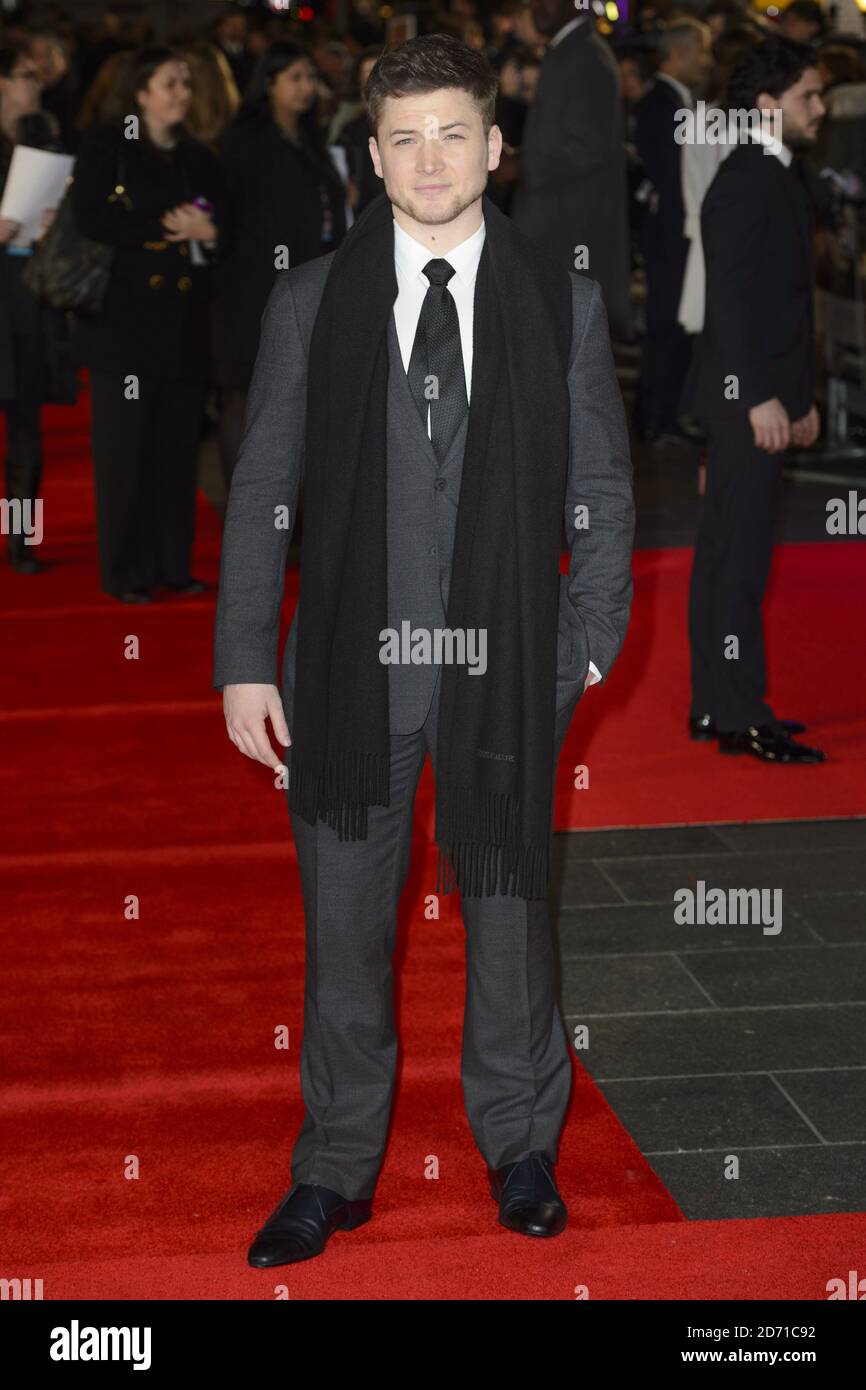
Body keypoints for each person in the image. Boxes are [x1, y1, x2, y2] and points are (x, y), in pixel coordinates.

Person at [212, 32, 634, 1268]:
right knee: (345, 928)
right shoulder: (311, 299)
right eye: (406, 136)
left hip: (508, 664)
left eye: (455, 131)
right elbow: (259, 488)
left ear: (495, 149)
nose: (432, 157)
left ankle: (518, 1146)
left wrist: (586, 643)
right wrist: (246, 657)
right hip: (350, 673)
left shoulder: (558, 297)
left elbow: (602, 486)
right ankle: (335, 1167)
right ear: (374, 156)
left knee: (510, 916)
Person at [686, 37, 827, 763]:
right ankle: (739, 712)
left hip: (759, 393)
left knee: (724, 552)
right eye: (809, 95)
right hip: (746, 396)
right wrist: (760, 399)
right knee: (737, 559)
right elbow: (732, 305)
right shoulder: (746, 179)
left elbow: (786, 304)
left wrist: (796, 397)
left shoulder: (775, 176)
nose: (821, 107)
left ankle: (714, 702)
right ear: (769, 106)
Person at [71, 45, 230, 602]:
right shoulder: (107, 146)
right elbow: (89, 216)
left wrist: (208, 233)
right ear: (140, 93)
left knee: (175, 453)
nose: (182, 93)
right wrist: (165, 224)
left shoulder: (197, 156)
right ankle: (126, 571)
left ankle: (172, 565)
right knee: (125, 455)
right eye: (169, 83)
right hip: (124, 328)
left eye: (185, 82)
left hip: (184, 327)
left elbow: (230, 220)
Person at [214, 41, 348, 488]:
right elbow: (228, 213)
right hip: (254, 284)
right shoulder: (245, 139)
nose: (306, 88)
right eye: (295, 78)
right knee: (251, 394)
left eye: (311, 77)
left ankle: (292, 510)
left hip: (310, 280)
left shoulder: (309, 135)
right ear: (268, 83)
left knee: (299, 397)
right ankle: (247, 502)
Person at [509, 0, 633, 341]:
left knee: (565, 347)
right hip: (560, 218)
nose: (538, 8)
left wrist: (522, 166)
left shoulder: (584, 55)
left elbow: (588, 145)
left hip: (570, 226)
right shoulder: (569, 50)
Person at [0, 42, 77, 575]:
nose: (37, 86)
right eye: (28, 76)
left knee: (26, 417)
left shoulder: (41, 140)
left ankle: (22, 540)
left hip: (26, 292)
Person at [634, 17, 713, 446]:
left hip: (677, 230)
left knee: (676, 325)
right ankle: (658, 418)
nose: (708, 61)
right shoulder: (662, 105)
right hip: (672, 233)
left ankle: (662, 415)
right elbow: (674, 176)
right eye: (702, 51)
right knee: (669, 324)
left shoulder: (676, 102)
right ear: (680, 53)